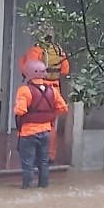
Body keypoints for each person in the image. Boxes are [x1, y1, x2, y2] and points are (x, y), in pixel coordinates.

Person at [13, 59, 69, 189]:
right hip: (46, 132)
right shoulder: (53, 90)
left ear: (29, 73)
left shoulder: (24, 90)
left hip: (28, 134)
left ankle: (26, 189)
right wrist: (49, 115)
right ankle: (43, 188)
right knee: (43, 163)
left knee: (28, 164)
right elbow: (63, 108)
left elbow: (20, 111)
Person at [18, 29, 70, 160]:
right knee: (50, 124)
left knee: (33, 120)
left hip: (37, 88)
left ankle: (33, 153)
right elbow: (65, 70)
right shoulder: (59, 50)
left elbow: (27, 69)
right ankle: (50, 154)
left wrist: (23, 60)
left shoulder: (36, 50)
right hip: (55, 89)